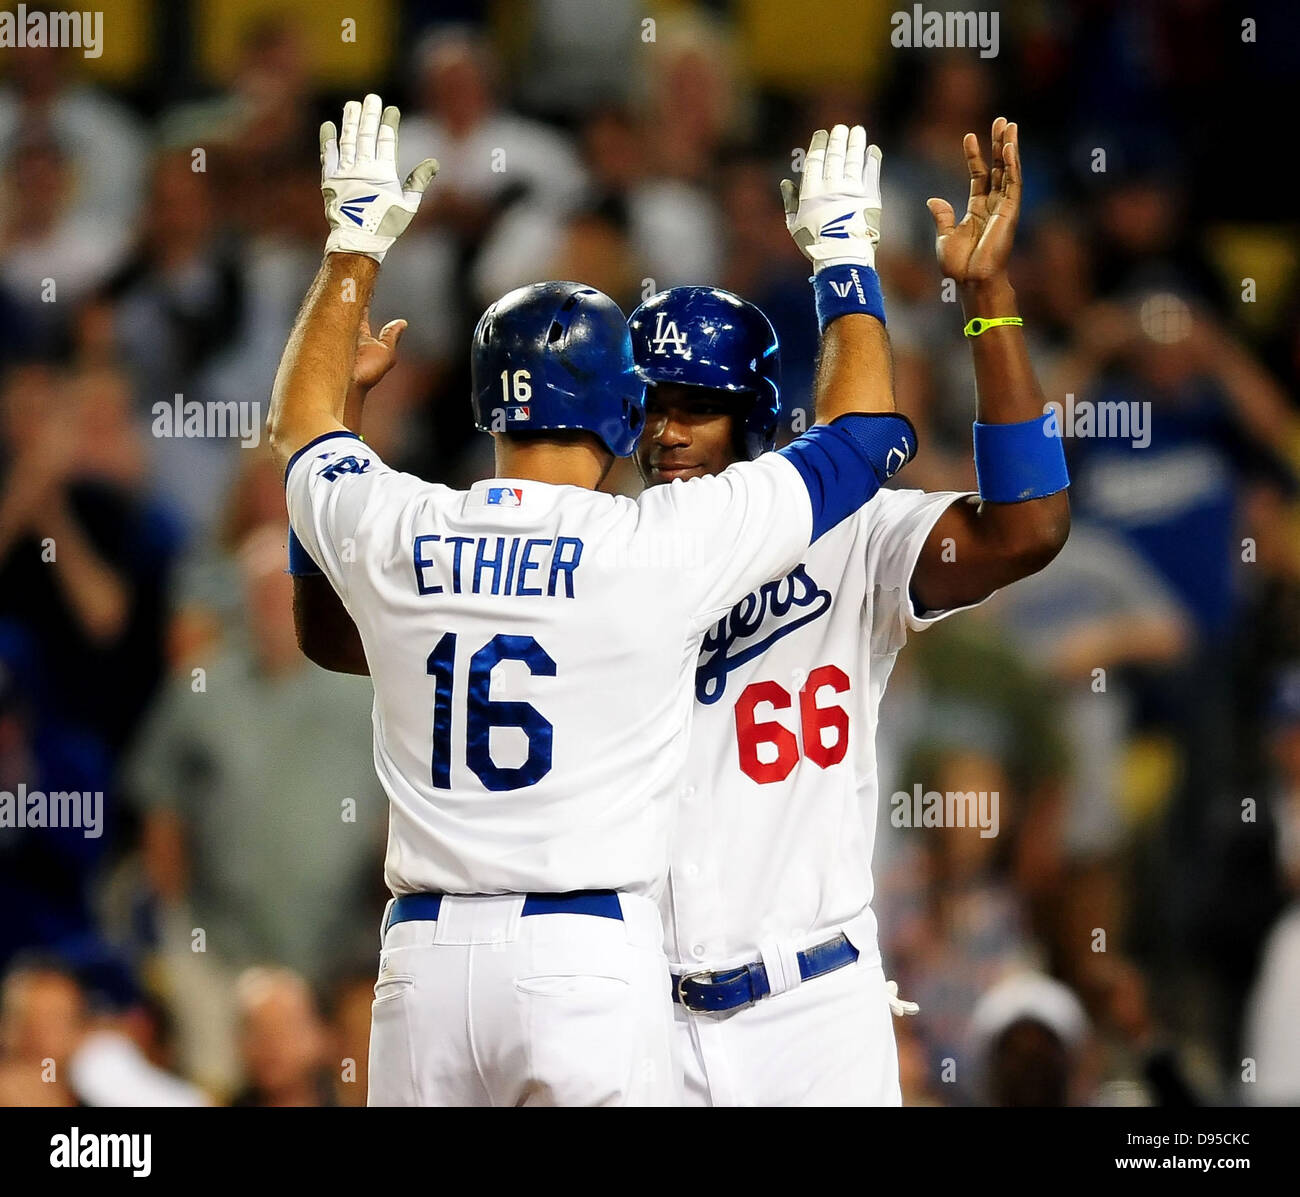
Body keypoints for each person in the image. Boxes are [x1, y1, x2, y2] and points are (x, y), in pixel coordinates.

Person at [293, 115, 1071, 1105]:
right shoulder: (592, 552)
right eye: (650, 401)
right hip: (627, 1005)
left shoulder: (842, 536)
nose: (666, 429)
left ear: (752, 416)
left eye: (695, 405)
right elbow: (334, 636)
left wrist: (990, 302)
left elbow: (1027, 528)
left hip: (809, 1001)